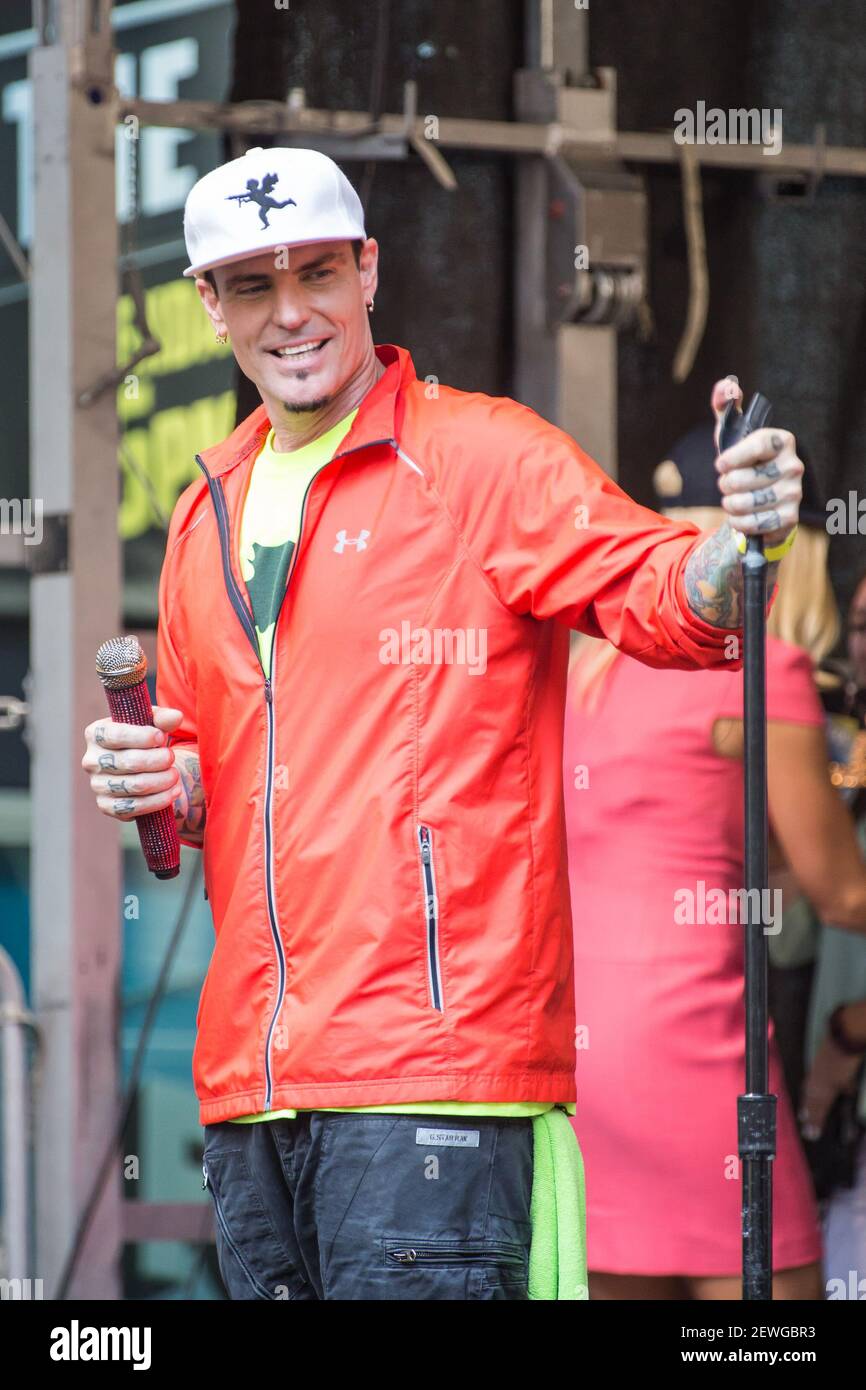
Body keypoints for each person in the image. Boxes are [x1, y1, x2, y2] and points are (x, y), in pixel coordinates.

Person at [81, 146, 804, 1301]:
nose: (292, 313)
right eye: (253, 287)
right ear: (208, 306)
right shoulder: (200, 508)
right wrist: (153, 779)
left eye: (315, 271)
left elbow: (662, 596)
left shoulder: (477, 455)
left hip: (432, 1087)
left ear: (369, 270)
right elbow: (208, 782)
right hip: (251, 1095)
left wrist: (740, 538)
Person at [563, 423, 866, 1300]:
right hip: (703, 1049)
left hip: (588, 1066)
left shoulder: (587, 670)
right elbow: (841, 893)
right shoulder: (763, 670)